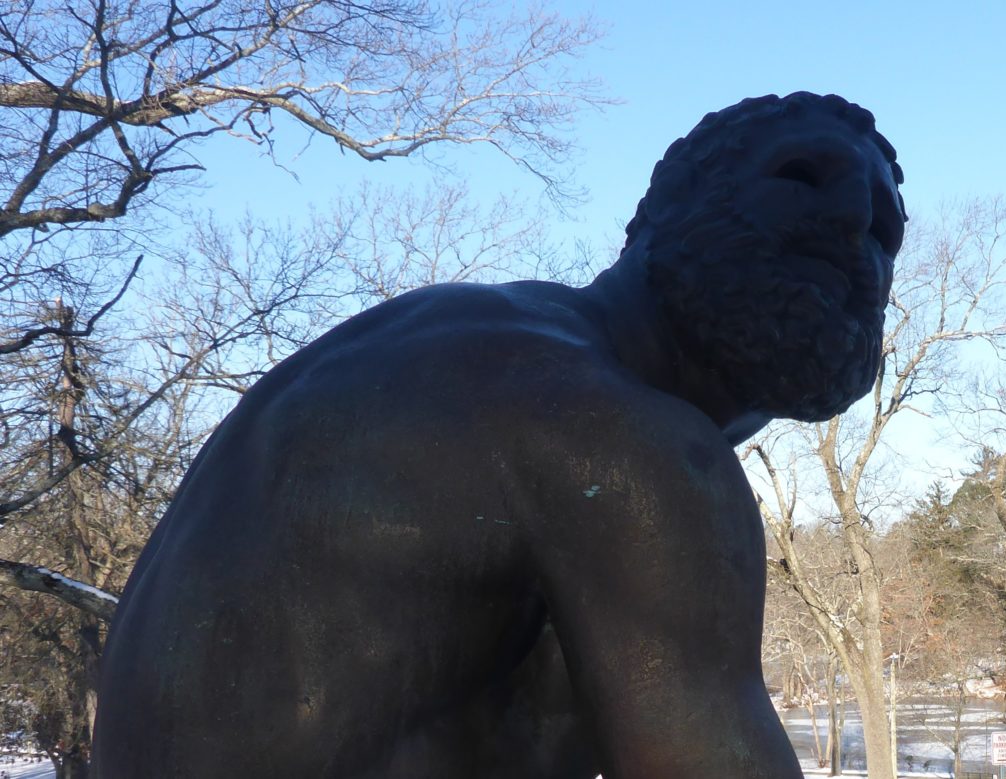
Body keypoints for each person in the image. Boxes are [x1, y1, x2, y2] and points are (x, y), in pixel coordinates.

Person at [92, 92, 906, 779]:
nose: (853, 226)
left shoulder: (441, 340)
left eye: (884, 231)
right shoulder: (610, 435)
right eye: (804, 178)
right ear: (657, 214)